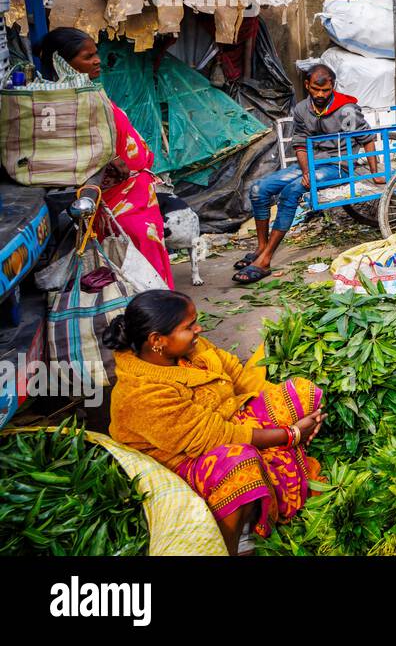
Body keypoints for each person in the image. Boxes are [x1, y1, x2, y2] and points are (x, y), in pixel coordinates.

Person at [105, 290, 324, 555]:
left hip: (225, 420)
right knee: (239, 464)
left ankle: (261, 488)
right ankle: (232, 537)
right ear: (157, 340)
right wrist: (290, 435)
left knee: (304, 395)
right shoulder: (139, 393)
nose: (198, 329)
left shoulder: (193, 347)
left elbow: (238, 375)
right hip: (179, 459)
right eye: (189, 326)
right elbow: (215, 435)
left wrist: (287, 409)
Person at [40, 28, 173, 288]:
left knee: (147, 260)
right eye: (87, 57)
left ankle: (168, 318)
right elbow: (67, 147)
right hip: (114, 200)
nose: (97, 60)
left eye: (96, 54)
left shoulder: (90, 91)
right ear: (62, 62)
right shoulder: (61, 102)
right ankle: (154, 319)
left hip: (136, 192)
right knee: (131, 261)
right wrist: (107, 157)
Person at [235, 64, 377, 284]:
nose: (320, 95)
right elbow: (300, 143)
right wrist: (306, 170)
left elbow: (366, 139)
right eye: (315, 90)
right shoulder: (302, 109)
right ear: (307, 85)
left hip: (337, 166)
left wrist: (376, 174)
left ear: (333, 87)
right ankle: (261, 249)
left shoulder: (346, 110)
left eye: (326, 91)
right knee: (258, 189)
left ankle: (265, 260)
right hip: (310, 163)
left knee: (291, 192)